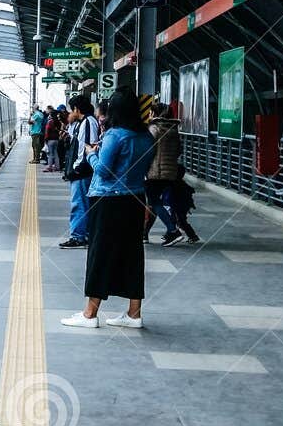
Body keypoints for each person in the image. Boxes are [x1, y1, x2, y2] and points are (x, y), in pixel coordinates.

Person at [62, 92, 157, 329]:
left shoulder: (115, 135)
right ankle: (134, 314)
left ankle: (89, 314)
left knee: (100, 254)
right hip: (135, 199)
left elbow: (103, 170)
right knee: (133, 255)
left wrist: (91, 154)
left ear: (114, 111)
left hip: (108, 200)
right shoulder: (146, 136)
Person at [145, 104, 201, 245]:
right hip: (170, 173)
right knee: (155, 203)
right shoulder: (173, 130)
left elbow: (147, 152)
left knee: (153, 201)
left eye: (150, 112)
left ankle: (172, 230)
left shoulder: (154, 129)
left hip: (155, 172)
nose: (149, 115)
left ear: (154, 113)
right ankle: (146, 233)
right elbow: (178, 152)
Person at [58, 95, 101, 249]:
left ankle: (78, 237)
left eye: (71, 109)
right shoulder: (81, 123)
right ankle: (84, 235)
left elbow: (87, 147)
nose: (70, 113)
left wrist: (77, 169)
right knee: (82, 204)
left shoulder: (88, 122)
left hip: (82, 172)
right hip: (81, 170)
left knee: (79, 204)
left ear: (76, 109)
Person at [42, 105, 66, 171]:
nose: (49, 116)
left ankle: (49, 167)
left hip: (50, 140)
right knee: (56, 153)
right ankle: (57, 166)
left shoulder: (50, 122)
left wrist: (45, 140)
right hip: (56, 139)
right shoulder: (58, 122)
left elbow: (47, 132)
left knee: (50, 154)